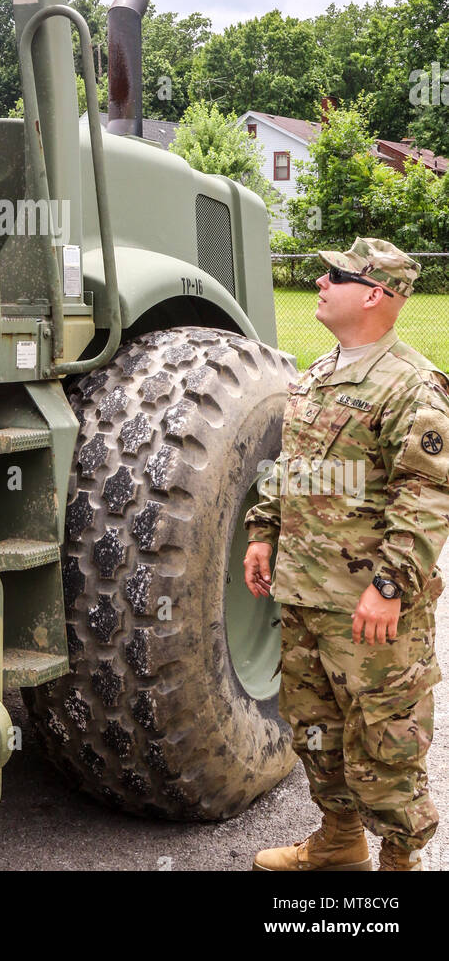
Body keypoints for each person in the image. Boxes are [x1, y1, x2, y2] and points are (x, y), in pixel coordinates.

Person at [244, 237, 449, 872]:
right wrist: (262, 530)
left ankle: (398, 864)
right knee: (315, 729)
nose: (322, 283)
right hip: (305, 597)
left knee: (387, 739)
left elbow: (428, 496)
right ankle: (338, 841)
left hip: (368, 608)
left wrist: (389, 585)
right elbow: (293, 471)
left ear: (374, 294)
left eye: (337, 275)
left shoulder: (410, 386)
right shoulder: (317, 374)